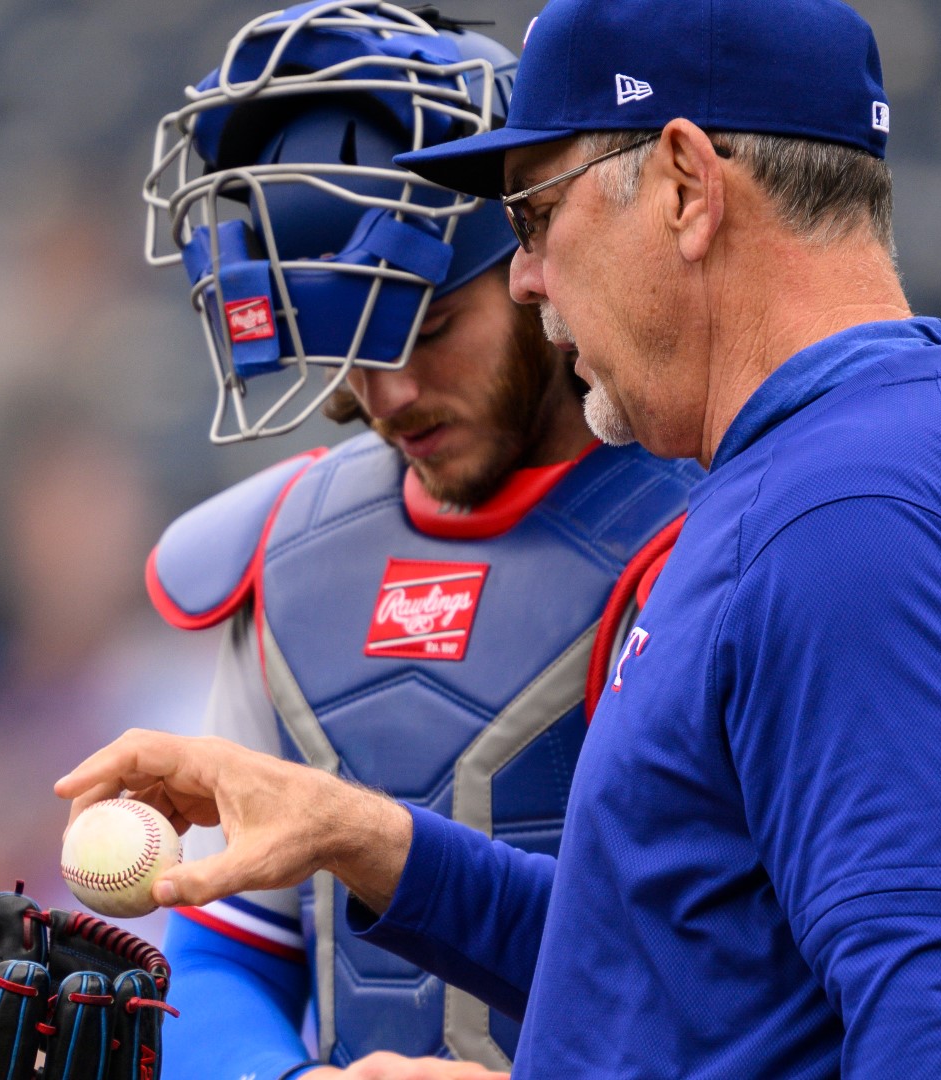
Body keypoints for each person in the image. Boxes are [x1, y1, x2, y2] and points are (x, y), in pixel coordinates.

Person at [63, 0, 941, 1076]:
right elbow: (663, 966)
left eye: (532, 215)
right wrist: (361, 835)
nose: (527, 277)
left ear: (684, 187)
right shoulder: (843, 465)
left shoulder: (852, 514)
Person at [139, 4, 697, 1076]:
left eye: (428, 327)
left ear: (534, 264)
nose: (386, 393)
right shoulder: (287, 551)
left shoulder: (704, 529)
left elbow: (725, 979)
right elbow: (223, 954)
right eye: (345, 344)